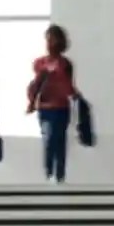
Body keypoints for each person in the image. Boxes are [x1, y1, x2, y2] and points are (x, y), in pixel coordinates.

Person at [26, 24, 78, 183]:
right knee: (48, 138)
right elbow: (35, 85)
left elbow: (68, 86)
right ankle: (48, 172)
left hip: (61, 107)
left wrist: (74, 94)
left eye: (53, 40)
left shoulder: (65, 64)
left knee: (60, 140)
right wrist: (31, 100)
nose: (49, 44)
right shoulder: (39, 63)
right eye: (48, 40)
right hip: (45, 107)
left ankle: (60, 174)